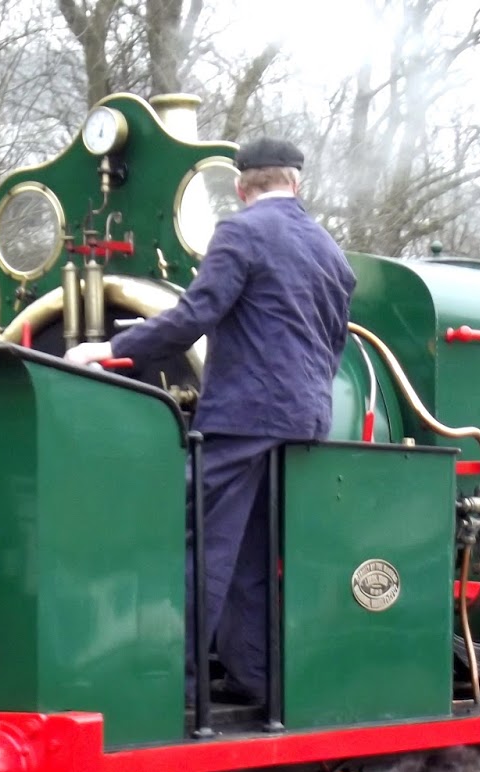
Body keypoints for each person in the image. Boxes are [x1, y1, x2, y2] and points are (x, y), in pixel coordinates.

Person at [65, 136, 355, 705]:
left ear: (243, 189)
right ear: (295, 184)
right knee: (254, 553)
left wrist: (110, 349)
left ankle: (174, 686)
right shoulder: (331, 251)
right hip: (308, 421)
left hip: (246, 415)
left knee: (195, 541)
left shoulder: (241, 232)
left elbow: (195, 316)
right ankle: (259, 678)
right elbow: (334, 342)